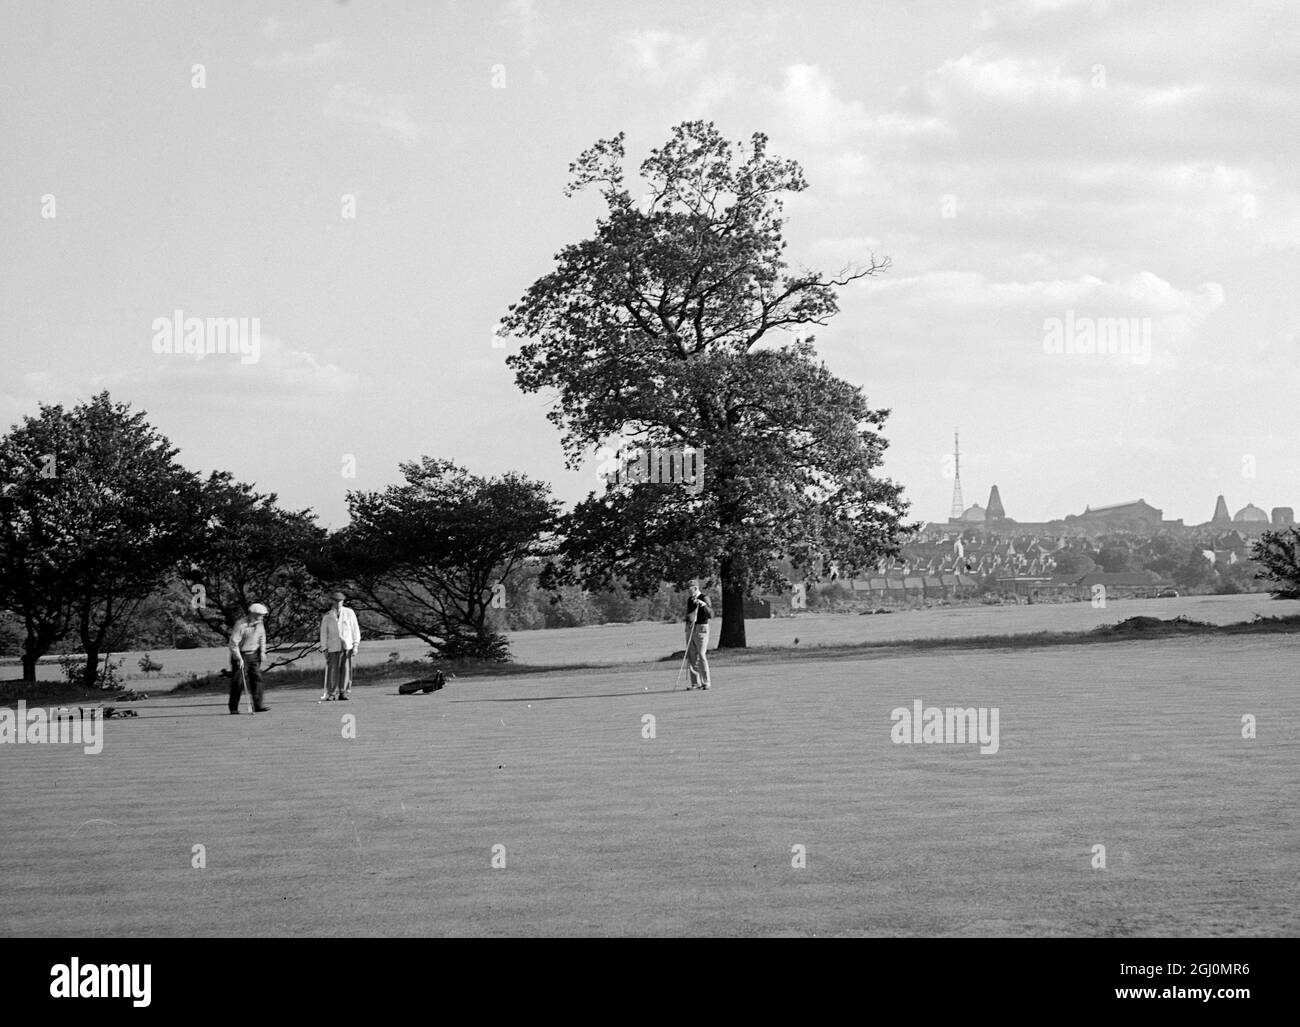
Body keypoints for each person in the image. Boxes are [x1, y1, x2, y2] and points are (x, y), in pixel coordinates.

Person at [320, 591, 361, 701]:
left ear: (343, 601)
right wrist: (324, 648)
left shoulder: (349, 612)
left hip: (346, 646)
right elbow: (323, 633)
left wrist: (356, 645)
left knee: (346, 669)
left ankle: (343, 692)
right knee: (333, 670)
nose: (338, 603)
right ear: (332, 601)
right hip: (332, 646)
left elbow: (355, 629)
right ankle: (332, 693)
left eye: (340, 601)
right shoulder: (327, 616)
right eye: (336, 601)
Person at [229, 603, 269, 713]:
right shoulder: (241, 625)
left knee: (257, 680)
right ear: (253, 614)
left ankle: (258, 706)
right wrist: (239, 658)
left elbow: (262, 637)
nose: (262, 617)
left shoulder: (260, 624)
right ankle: (233, 708)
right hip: (240, 655)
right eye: (260, 615)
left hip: (253, 655)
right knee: (238, 682)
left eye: (262, 615)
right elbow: (233, 644)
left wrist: (262, 652)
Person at [684, 580, 712, 691]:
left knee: (701, 654)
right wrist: (689, 619)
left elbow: (711, 614)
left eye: (690, 589)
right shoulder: (690, 600)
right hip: (691, 628)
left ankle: (706, 682)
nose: (688, 591)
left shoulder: (704, 597)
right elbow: (688, 615)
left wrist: (703, 606)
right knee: (691, 656)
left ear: (695, 588)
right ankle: (696, 683)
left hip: (701, 628)